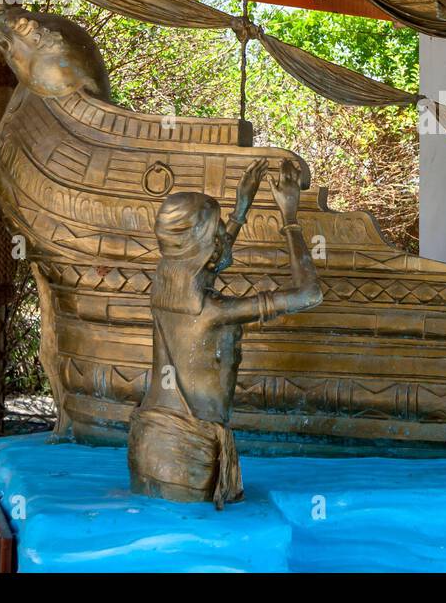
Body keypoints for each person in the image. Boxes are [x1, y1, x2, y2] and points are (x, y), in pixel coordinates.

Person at [128, 157, 322, 508]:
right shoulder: (212, 311)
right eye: (217, 230)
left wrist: (241, 209)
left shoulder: (166, 285)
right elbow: (310, 294)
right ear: (201, 244)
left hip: (149, 441)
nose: (223, 236)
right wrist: (290, 219)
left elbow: (212, 262)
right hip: (186, 450)